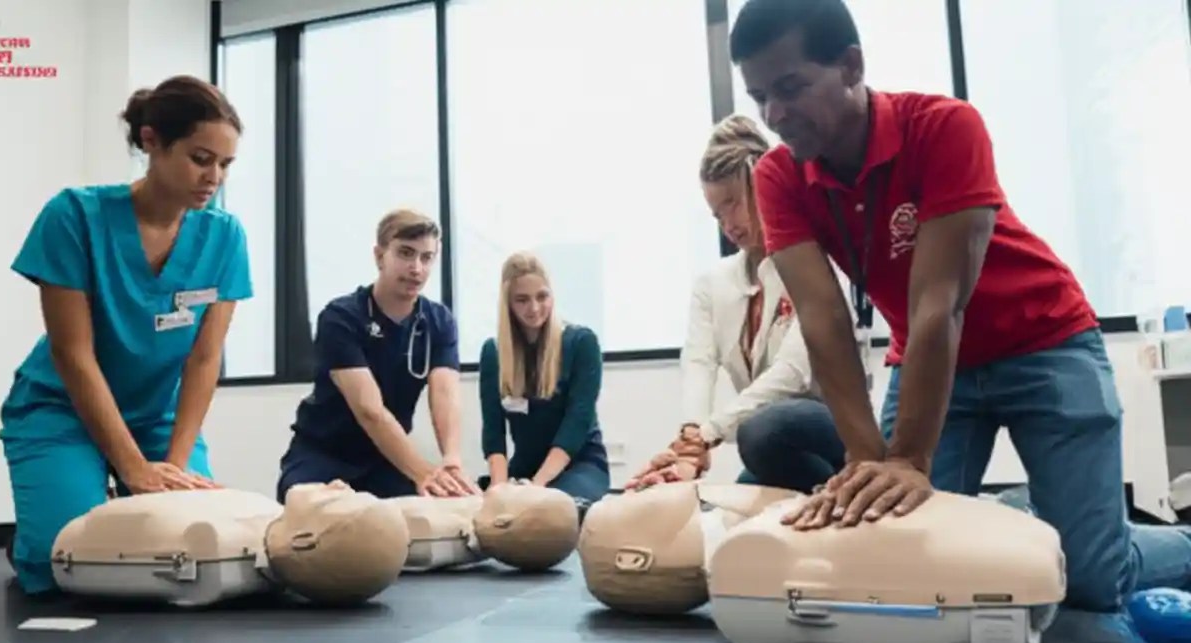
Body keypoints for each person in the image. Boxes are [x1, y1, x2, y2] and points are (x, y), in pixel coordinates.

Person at [728, 0, 1191, 611]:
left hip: (1043, 343)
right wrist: (871, 461)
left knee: (1089, 580)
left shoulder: (945, 127)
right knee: (891, 542)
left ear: (850, 65)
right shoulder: (779, 176)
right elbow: (823, 320)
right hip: (933, 364)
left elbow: (938, 305)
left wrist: (911, 461)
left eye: (790, 88)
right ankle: (1021, 511)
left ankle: (1166, 541)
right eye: (760, 96)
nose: (774, 114)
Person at [0, 75, 253, 595]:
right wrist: (134, 469)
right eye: (201, 158)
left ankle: (102, 505)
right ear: (152, 141)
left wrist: (173, 470)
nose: (214, 178)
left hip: (157, 415)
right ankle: (37, 531)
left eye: (225, 165)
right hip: (61, 406)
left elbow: (204, 361)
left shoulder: (225, 236)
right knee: (64, 564)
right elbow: (73, 354)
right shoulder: (73, 216)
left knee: (198, 554)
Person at [628, 114, 837, 494]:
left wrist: (709, 434)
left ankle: (843, 484)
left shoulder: (811, 262)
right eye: (717, 213)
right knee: (739, 500)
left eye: (733, 203)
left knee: (761, 431)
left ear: (763, 186)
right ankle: (818, 500)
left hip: (827, 431)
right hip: (770, 443)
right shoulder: (712, 285)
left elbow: (793, 373)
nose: (728, 223)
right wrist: (689, 445)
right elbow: (698, 362)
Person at [278, 209, 477, 502]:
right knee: (317, 514)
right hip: (322, 455)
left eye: (426, 257)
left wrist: (451, 459)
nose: (416, 268)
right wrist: (424, 473)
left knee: (432, 514)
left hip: (388, 461)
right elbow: (370, 411)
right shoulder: (341, 318)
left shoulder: (439, 322)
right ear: (379, 256)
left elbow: (445, 395)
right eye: (406, 253)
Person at [478, 252, 610, 508]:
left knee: (550, 512)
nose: (534, 308)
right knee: (489, 509)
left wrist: (536, 489)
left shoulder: (581, 343)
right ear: (508, 304)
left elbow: (577, 424)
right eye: (522, 300)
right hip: (525, 467)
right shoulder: (493, 353)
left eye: (542, 297)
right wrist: (500, 488)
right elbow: (493, 431)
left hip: (579, 465)